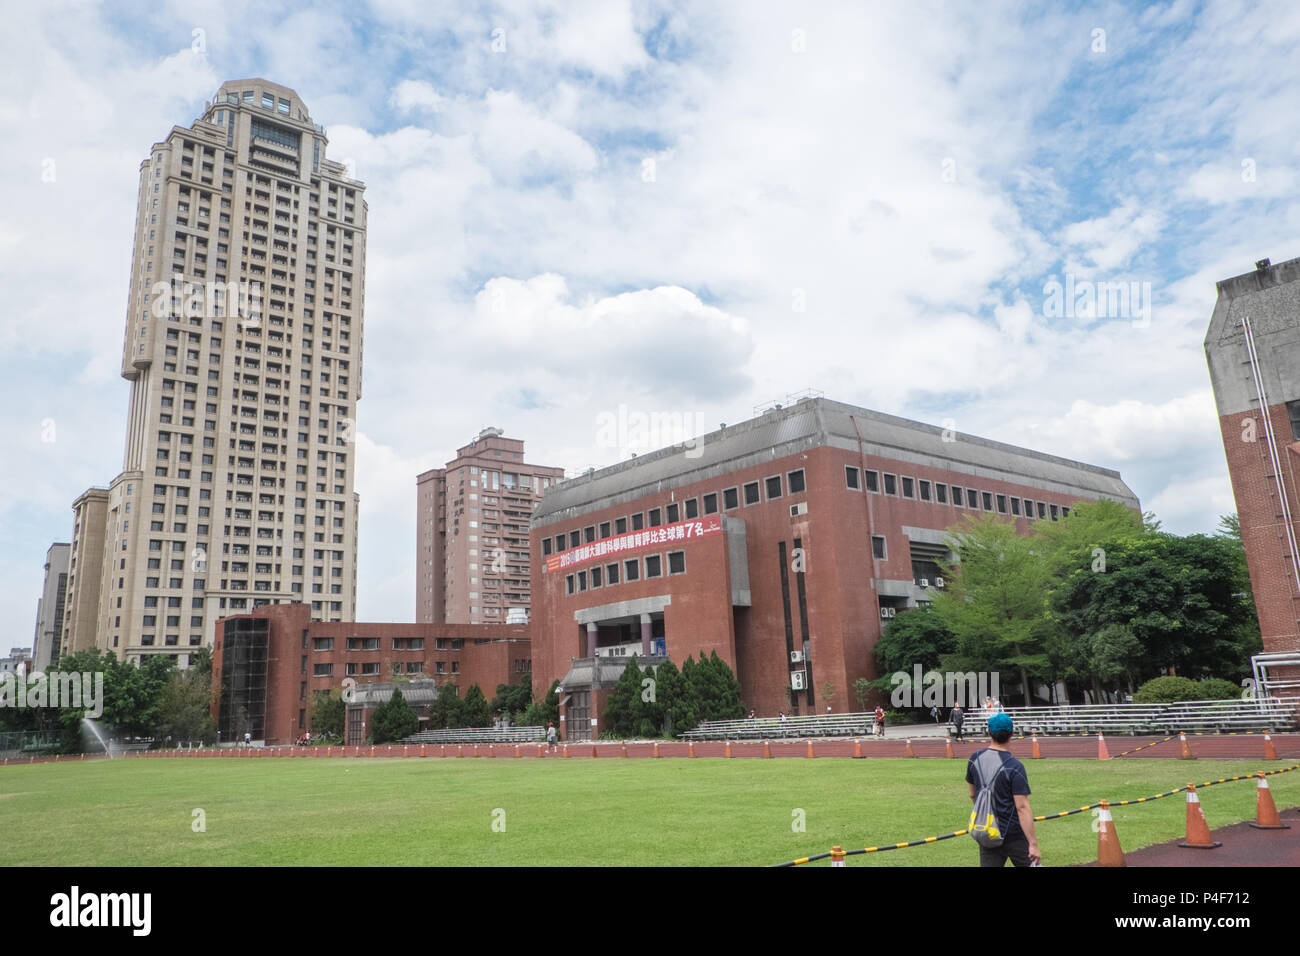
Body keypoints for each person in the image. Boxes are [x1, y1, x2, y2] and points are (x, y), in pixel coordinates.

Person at [966, 713, 1040, 867]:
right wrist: (1033, 844)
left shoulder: (974, 759)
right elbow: (1022, 807)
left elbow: (973, 794)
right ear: (1012, 733)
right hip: (1013, 833)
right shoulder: (1014, 766)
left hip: (988, 830)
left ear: (988, 733)